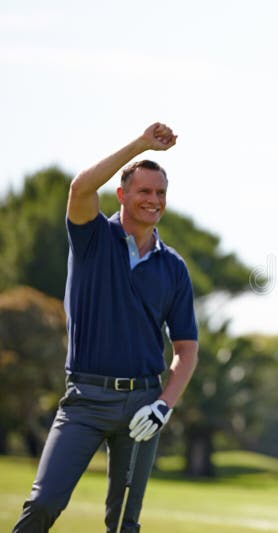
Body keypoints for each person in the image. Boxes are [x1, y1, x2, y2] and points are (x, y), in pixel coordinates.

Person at [13, 123, 199, 532]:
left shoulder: (173, 267)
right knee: (43, 503)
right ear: (121, 194)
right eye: (144, 191)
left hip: (143, 404)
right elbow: (80, 188)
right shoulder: (92, 238)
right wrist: (141, 145)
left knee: (123, 525)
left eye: (160, 193)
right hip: (85, 400)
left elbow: (186, 350)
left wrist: (163, 406)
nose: (153, 200)